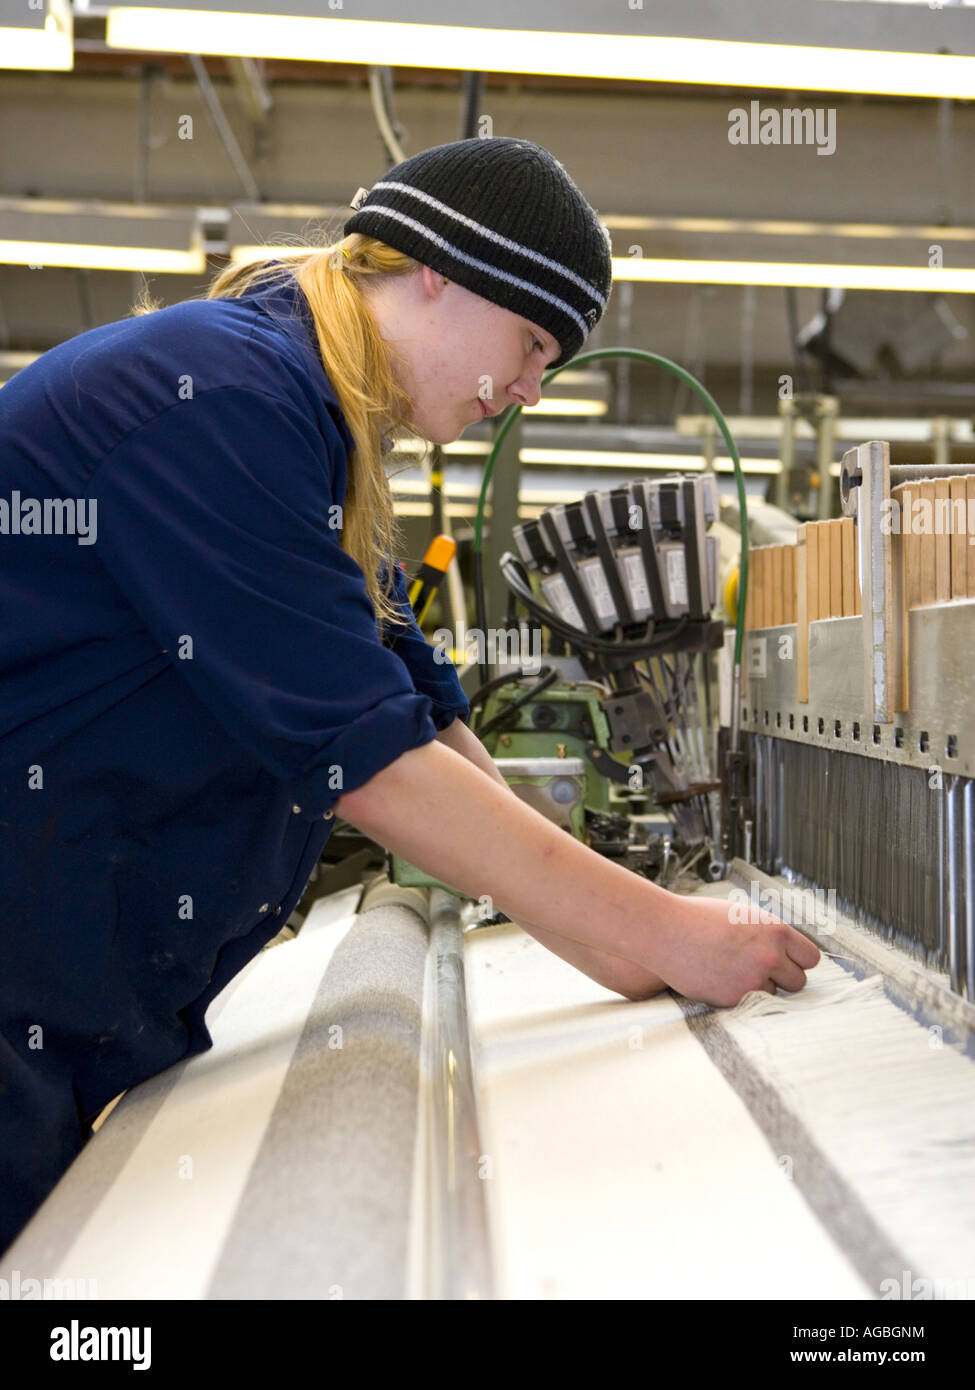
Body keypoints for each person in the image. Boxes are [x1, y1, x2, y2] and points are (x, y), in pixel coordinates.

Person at [0, 136, 818, 1254]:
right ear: (440, 270)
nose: (530, 390)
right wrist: (663, 931)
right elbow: (370, 764)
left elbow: (416, 706)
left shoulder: (320, 434)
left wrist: (599, 930)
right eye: (532, 343)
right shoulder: (225, 396)